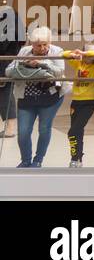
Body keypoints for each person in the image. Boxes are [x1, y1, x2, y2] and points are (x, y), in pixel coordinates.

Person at [5, 26, 64, 167]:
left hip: (50, 98)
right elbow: (9, 70)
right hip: (26, 98)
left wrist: (42, 64)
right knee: (23, 132)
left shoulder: (57, 51)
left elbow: (59, 71)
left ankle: (38, 160)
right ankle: (25, 160)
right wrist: (25, 64)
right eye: (38, 45)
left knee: (44, 129)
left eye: (45, 44)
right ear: (32, 44)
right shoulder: (25, 51)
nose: (43, 48)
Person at [61, 42, 94, 167]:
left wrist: (85, 53)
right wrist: (76, 54)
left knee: (72, 131)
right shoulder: (78, 63)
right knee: (78, 131)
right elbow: (63, 54)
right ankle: (77, 158)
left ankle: (75, 158)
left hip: (90, 102)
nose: (91, 56)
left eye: (92, 53)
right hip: (76, 101)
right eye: (88, 52)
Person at [0, 5, 22, 139]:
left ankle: (10, 128)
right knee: (5, 95)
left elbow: (2, 46)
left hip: (4, 67)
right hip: (7, 65)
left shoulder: (9, 31)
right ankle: (9, 127)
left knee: (6, 96)